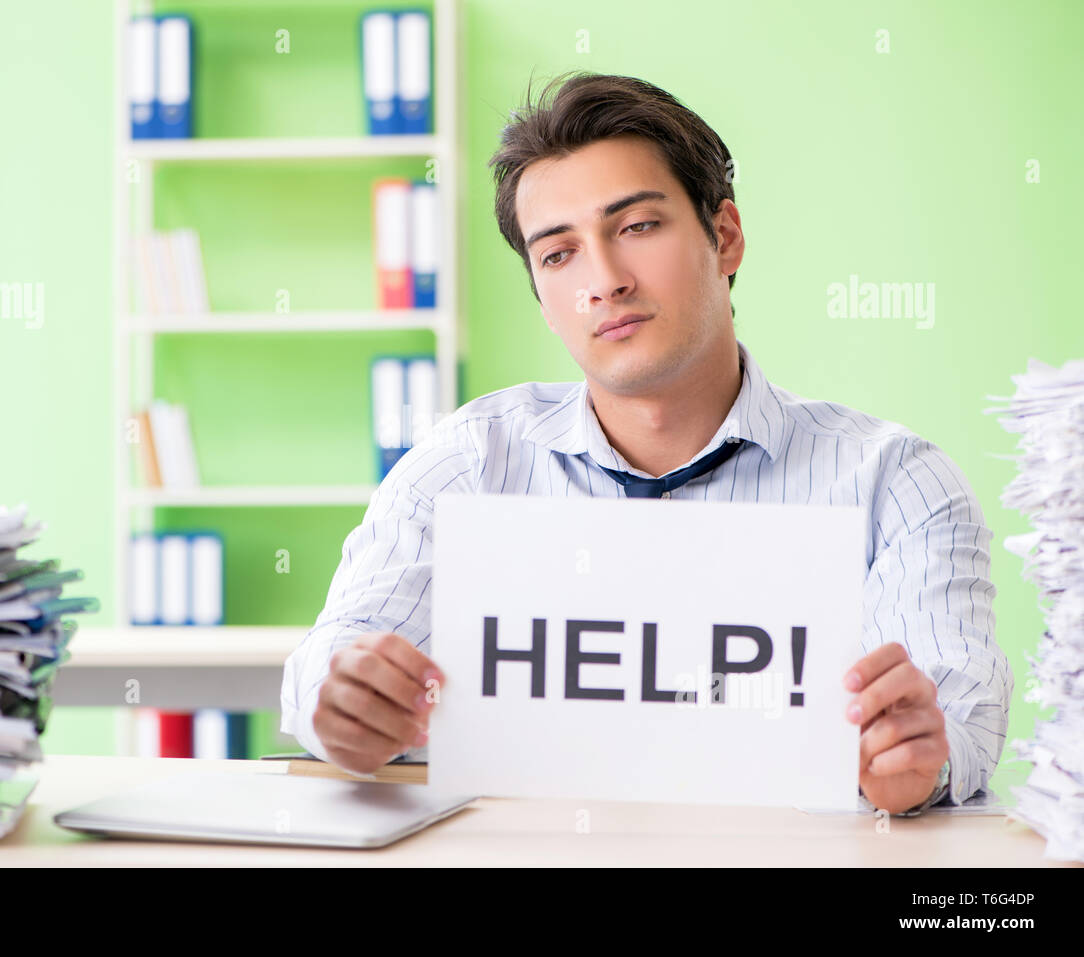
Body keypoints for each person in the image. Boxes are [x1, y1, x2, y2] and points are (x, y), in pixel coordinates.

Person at [280, 72, 1010, 815]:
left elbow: (962, 715)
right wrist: (337, 703)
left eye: (636, 227)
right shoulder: (468, 464)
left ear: (723, 237)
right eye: (558, 254)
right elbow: (331, 656)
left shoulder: (895, 481)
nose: (603, 280)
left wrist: (922, 756)